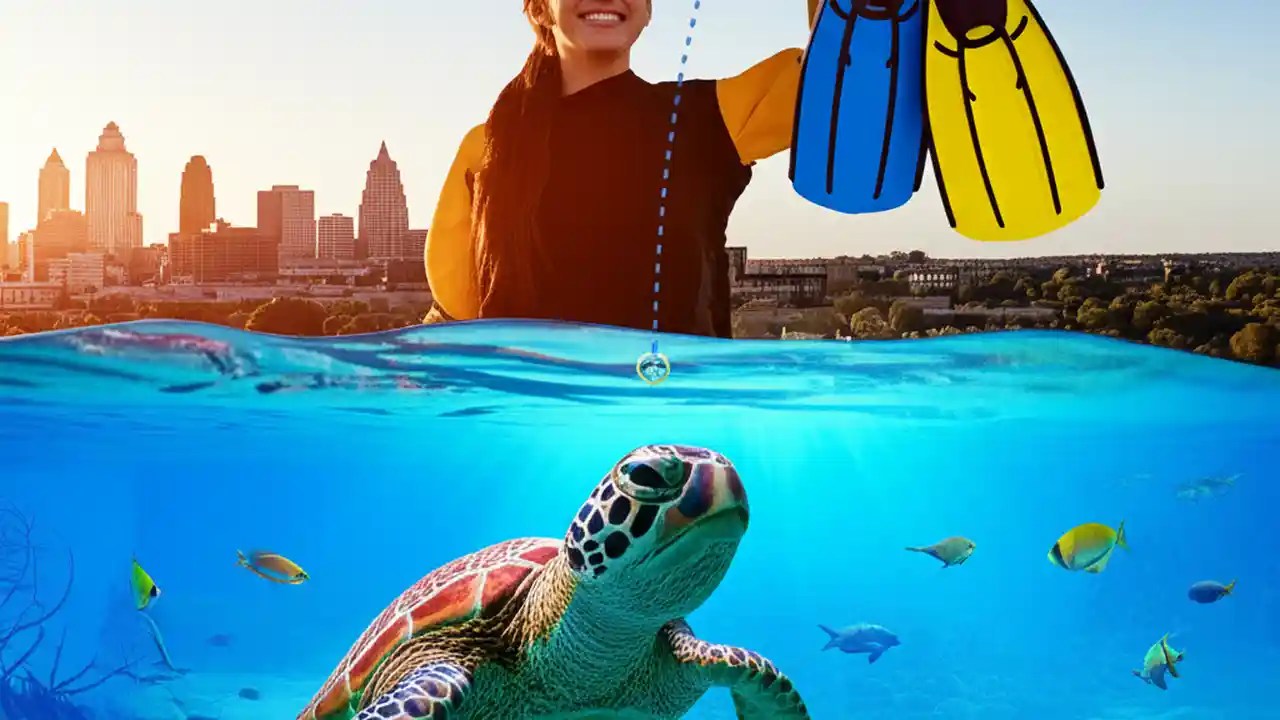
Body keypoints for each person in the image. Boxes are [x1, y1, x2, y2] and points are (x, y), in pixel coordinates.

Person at [424, 0, 819, 337]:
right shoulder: (486, 148)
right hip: (528, 419)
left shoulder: (710, 118)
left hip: (667, 417)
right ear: (540, 8)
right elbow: (452, 319)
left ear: (647, 11)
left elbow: (844, 76)